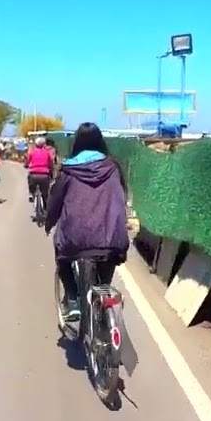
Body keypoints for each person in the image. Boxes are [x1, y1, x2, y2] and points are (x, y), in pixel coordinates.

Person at [44, 122, 130, 321]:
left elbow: (55, 203)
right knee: (104, 281)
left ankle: (73, 299)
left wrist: (49, 224)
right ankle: (103, 302)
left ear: (76, 142)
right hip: (111, 237)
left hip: (75, 238)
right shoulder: (113, 167)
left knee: (62, 255)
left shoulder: (68, 170)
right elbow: (122, 196)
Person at [24, 136, 53, 206]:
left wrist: (26, 165)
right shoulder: (47, 152)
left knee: (30, 181)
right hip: (45, 175)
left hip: (33, 174)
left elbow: (27, 161)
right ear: (44, 144)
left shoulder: (32, 152)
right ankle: (46, 207)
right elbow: (51, 162)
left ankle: (31, 193)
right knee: (45, 192)